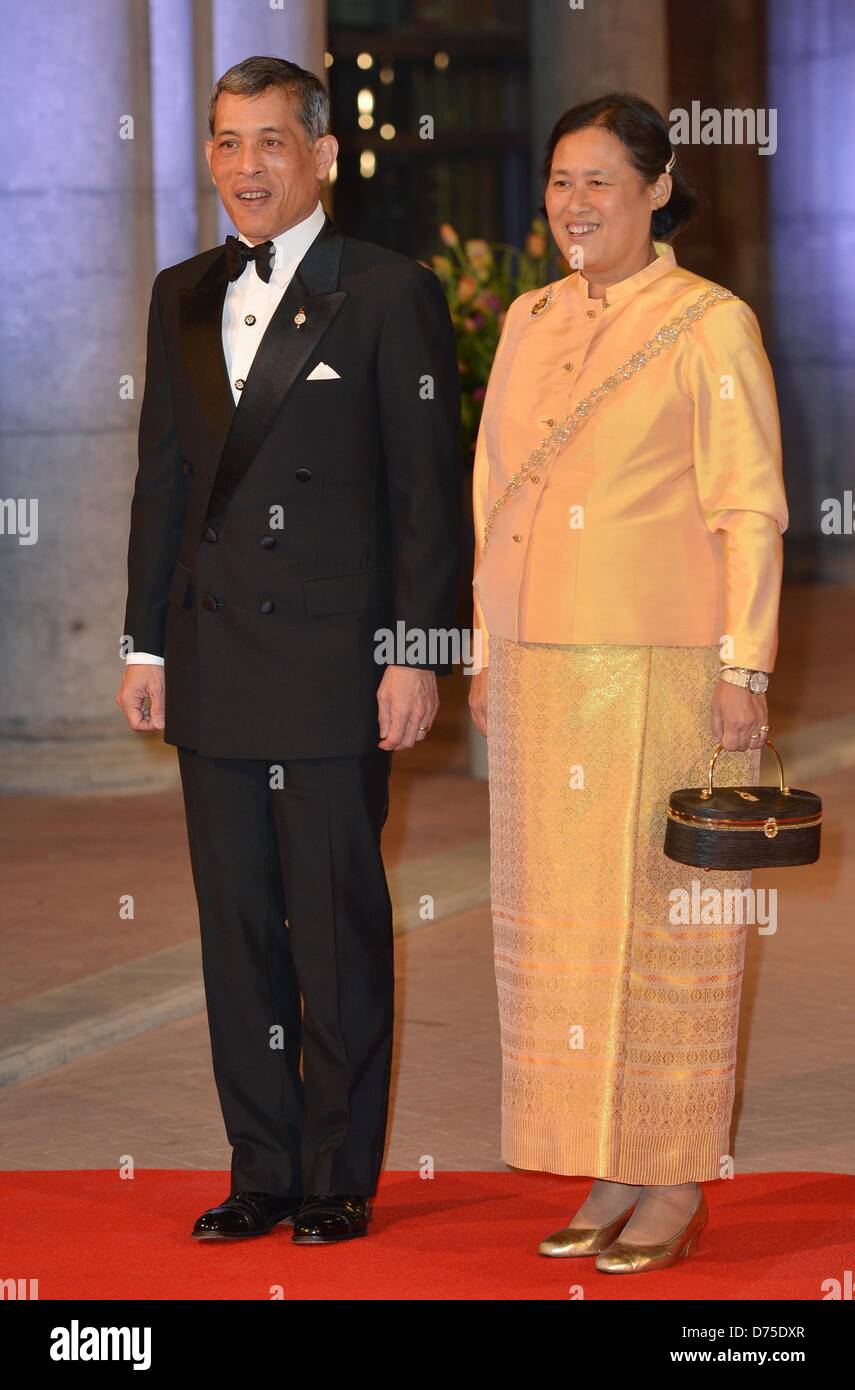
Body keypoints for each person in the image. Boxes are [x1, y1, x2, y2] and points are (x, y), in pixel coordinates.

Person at [117, 56, 461, 1244]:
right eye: (226, 142)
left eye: (271, 141)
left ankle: (336, 1172)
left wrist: (417, 651)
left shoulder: (388, 290)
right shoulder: (178, 292)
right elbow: (163, 480)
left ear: (322, 153)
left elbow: (428, 495)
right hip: (211, 662)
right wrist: (143, 645)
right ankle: (259, 1166)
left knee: (333, 924)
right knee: (237, 929)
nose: (246, 166)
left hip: (331, 668)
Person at [468, 92, 787, 1274]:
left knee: (663, 925)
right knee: (565, 922)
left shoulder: (709, 323)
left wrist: (744, 665)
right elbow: (494, 490)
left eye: (600, 180)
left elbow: (749, 505)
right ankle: (606, 1155)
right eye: (559, 180)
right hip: (546, 669)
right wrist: (489, 646)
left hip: (664, 668)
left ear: (657, 190)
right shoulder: (527, 318)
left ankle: (673, 1176)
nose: (574, 204)